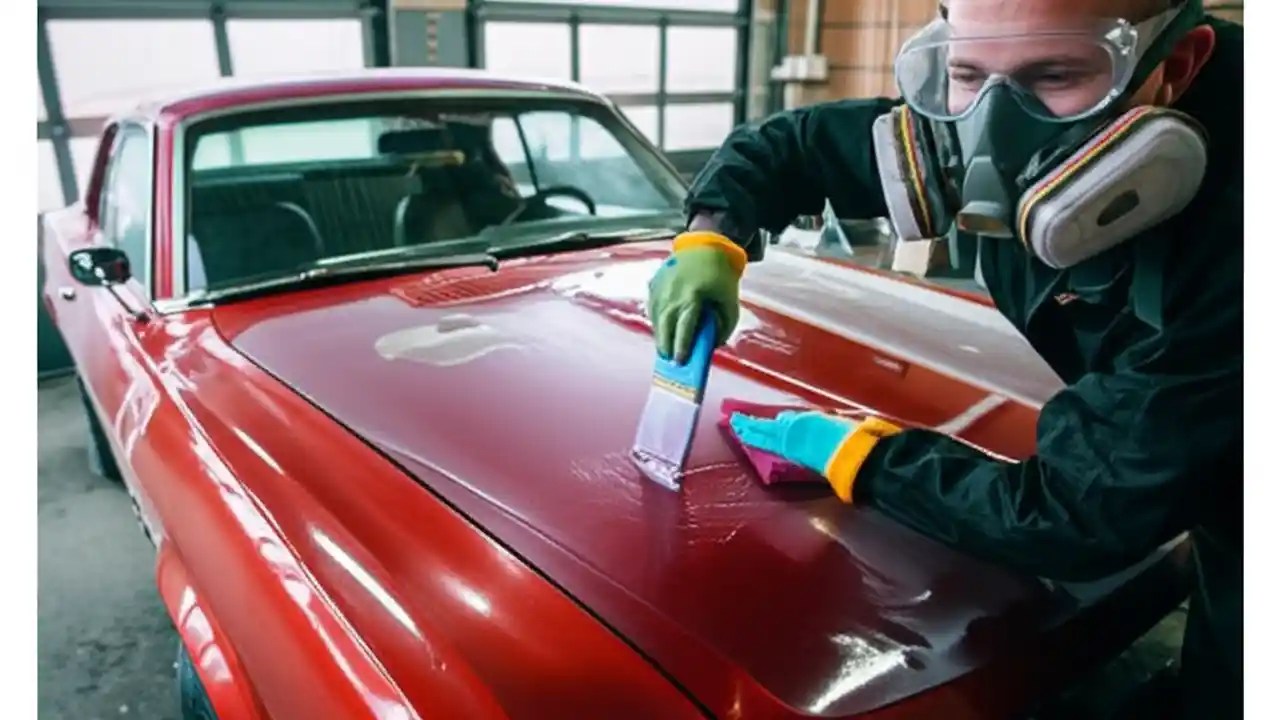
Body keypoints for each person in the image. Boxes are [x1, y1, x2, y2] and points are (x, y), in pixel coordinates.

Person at [645, 1, 1241, 717]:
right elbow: (791, 148)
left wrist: (862, 456)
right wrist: (711, 236)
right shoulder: (970, 126)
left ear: (1176, 66)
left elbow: (1083, 512)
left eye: (1053, 75)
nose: (993, 129)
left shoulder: (1239, 250)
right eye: (967, 73)